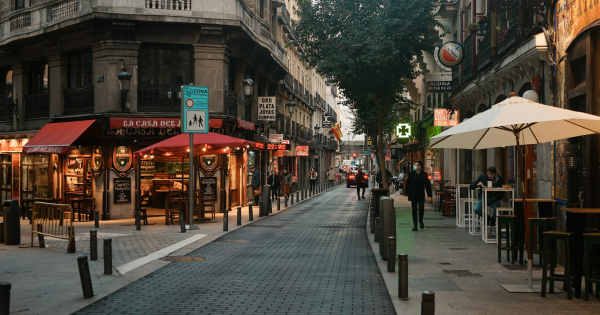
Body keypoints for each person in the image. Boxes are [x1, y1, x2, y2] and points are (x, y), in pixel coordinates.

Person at [405, 161, 432, 231]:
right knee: (414, 210)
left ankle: (420, 220)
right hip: (413, 194)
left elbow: (427, 185)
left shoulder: (424, 175)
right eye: (415, 165)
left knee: (421, 209)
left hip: (420, 194)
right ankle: (415, 225)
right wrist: (408, 191)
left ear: (420, 167)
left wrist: (429, 195)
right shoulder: (411, 174)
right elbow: (407, 183)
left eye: (416, 165)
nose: (415, 166)